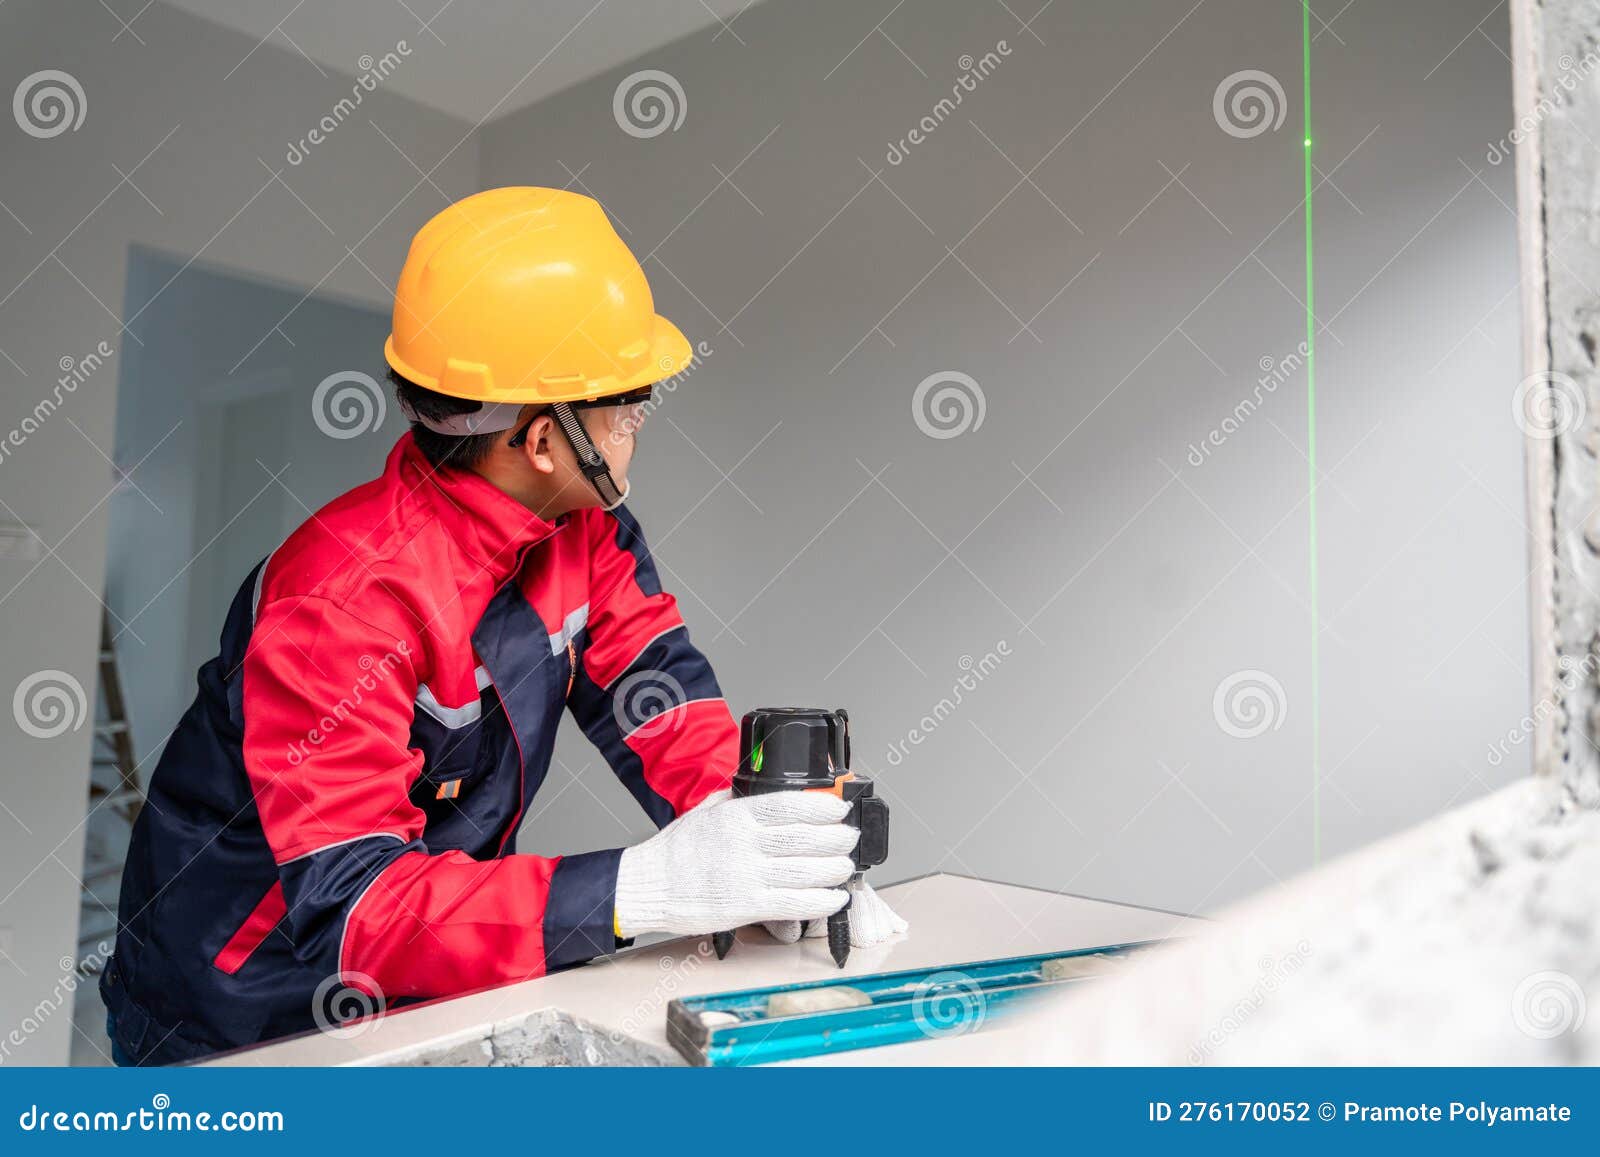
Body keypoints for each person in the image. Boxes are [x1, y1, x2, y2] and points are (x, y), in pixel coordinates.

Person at [102, 187, 905, 1065]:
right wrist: (647, 887)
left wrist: (759, 842)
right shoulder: (342, 601)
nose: (637, 428)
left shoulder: (585, 530)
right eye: (628, 409)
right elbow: (356, 908)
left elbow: (659, 693)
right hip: (237, 1010)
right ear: (545, 441)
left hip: (427, 975)